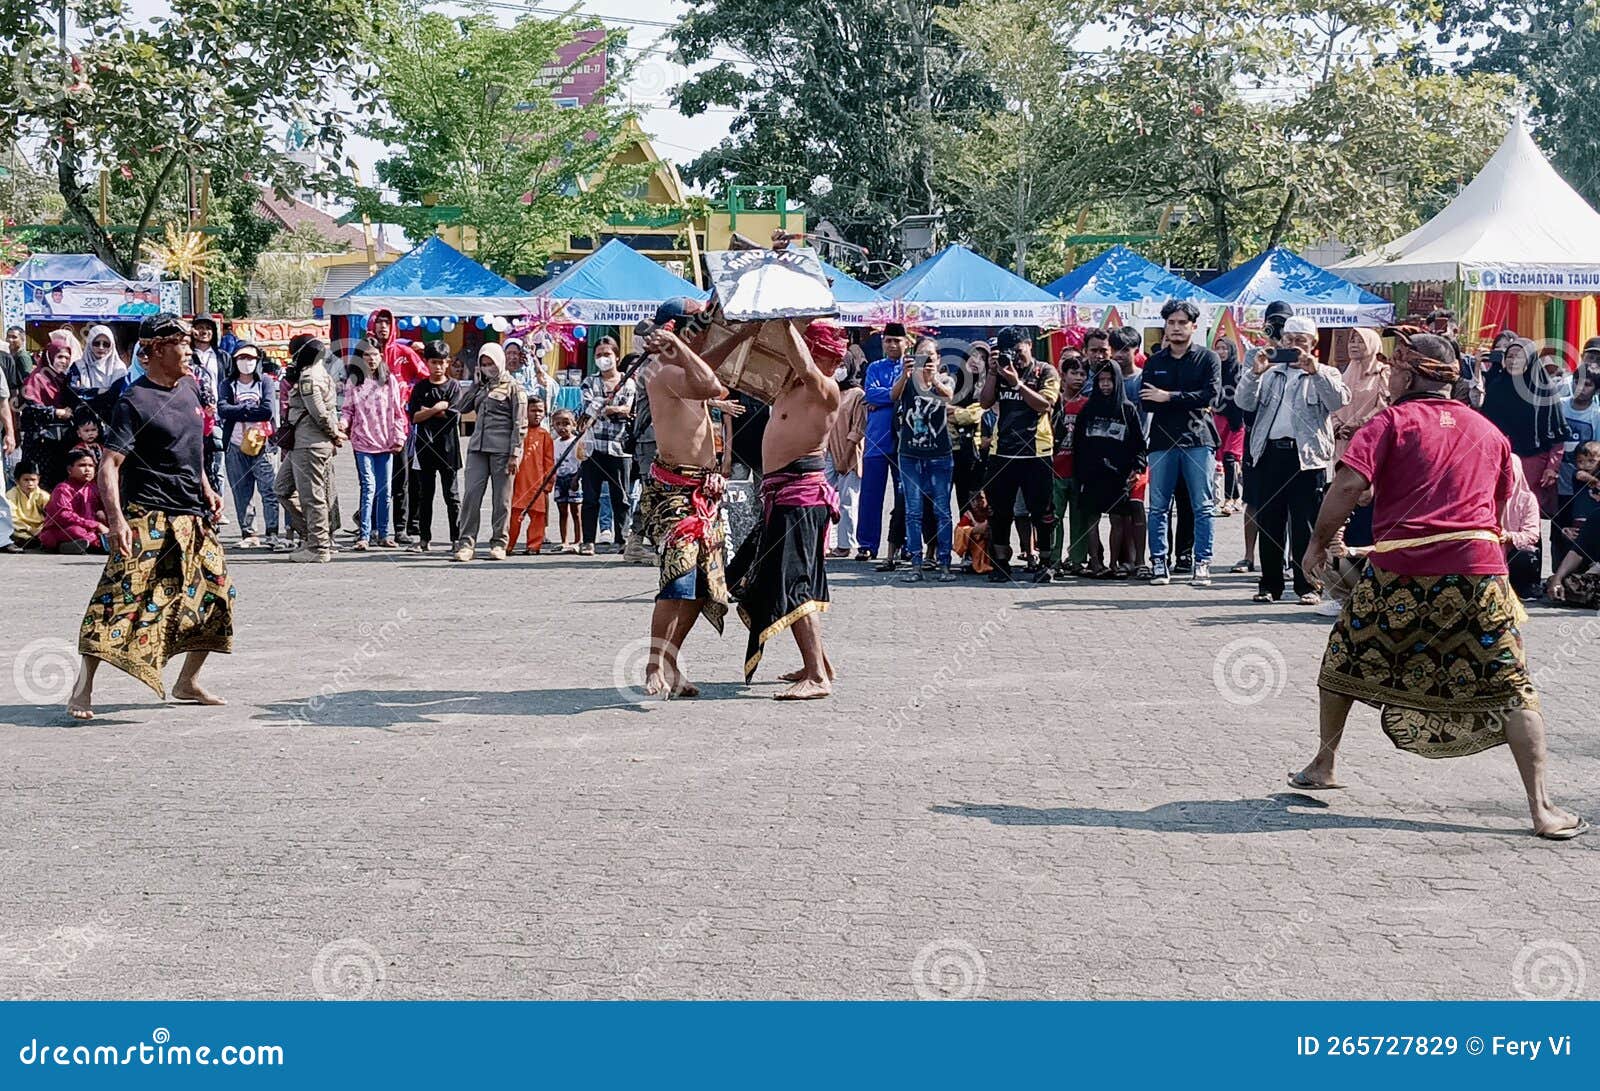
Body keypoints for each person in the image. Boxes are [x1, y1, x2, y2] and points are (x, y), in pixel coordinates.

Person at [1296, 332, 1585, 840]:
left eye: (1396, 370)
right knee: (1514, 686)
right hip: (1478, 572)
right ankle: (1542, 809)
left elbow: (1345, 486)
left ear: (1408, 375)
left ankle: (1325, 763)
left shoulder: (1389, 422)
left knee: (1343, 660)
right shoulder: (1489, 432)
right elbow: (1493, 511)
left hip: (1399, 574)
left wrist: (1319, 545)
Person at [70, 312, 234, 721]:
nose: (189, 351)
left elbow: (190, 448)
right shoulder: (134, 401)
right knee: (117, 600)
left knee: (216, 597)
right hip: (149, 516)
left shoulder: (191, 388)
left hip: (193, 515)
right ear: (157, 349)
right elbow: (109, 465)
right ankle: (82, 688)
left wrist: (207, 488)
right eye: (181, 344)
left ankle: (187, 682)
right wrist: (117, 520)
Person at [727, 319, 844, 699]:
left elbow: (805, 363)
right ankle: (820, 663)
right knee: (794, 583)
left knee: (795, 586)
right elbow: (746, 367)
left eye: (824, 355)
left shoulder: (825, 388)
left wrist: (785, 318)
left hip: (801, 498)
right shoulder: (786, 384)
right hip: (782, 497)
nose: (819, 360)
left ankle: (816, 677)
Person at [635, 321, 732, 697]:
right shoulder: (661, 371)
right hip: (673, 491)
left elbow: (711, 369)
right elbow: (712, 385)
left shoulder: (687, 365)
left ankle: (671, 660)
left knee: (700, 586)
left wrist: (740, 332)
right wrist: (675, 343)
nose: (699, 339)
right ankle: (653, 664)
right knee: (677, 581)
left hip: (704, 489)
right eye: (694, 331)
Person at [1234, 315, 1350, 605]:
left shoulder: (1326, 372)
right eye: (1288, 340)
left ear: (1312, 344)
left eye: (1301, 341)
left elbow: (1339, 402)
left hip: (1306, 459)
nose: (1294, 346)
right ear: (1280, 341)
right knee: (1269, 523)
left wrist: (1316, 373)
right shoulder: (1268, 371)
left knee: (1306, 526)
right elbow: (1243, 403)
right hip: (1270, 455)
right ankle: (1269, 585)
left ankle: (1309, 585)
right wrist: (1254, 373)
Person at [1141, 300, 1220, 588]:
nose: (1176, 327)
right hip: (1162, 442)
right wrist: (1185, 397)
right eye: (1171, 322)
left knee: (1203, 505)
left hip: (1198, 440)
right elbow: (1146, 401)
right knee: (1159, 506)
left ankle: (1202, 562)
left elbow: (1210, 396)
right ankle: (1159, 562)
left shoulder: (1208, 359)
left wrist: (1170, 397)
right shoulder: (1155, 361)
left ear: (1193, 327)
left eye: (1182, 323)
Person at [978, 326, 1060, 584]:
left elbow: (1045, 404)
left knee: (1043, 513)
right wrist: (993, 373)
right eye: (1008, 352)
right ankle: (1001, 562)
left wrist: (1017, 383)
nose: (1015, 357)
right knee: (999, 512)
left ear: (1030, 345)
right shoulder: (1000, 370)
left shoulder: (1046, 370)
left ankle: (1046, 562)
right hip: (1002, 452)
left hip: (1037, 452)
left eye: (1019, 351)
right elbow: (984, 402)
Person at [887, 337, 957, 582]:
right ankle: (915, 565)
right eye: (921, 355)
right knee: (913, 512)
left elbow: (949, 395)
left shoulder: (946, 379)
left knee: (942, 510)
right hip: (910, 455)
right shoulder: (907, 380)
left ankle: (945, 564)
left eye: (931, 356)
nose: (926, 360)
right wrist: (905, 375)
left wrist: (934, 376)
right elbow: (893, 397)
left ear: (939, 359)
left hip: (939, 455)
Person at [1071, 361, 1147, 579]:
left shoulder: (1127, 409)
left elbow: (1139, 444)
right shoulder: (1089, 408)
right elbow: (1079, 444)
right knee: (1092, 519)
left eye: (1109, 380)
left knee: (1117, 520)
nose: (1105, 385)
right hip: (1092, 474)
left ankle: (1114, 564)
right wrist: (1080, 473)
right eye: (1101, 380)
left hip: (1118, 475)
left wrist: (1137, 467)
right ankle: (1096, 563)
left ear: (1117, 381)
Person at [453, 343, 528, 562]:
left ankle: (498, 542)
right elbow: (462, 407)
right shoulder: (481, 386)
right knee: (471, 495)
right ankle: (466, 542)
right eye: (484, 364)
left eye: (491, 364)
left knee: (501, 499)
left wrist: (515, 453)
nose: (488, 368)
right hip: (478, 447)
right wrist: (476, 384)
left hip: (503, 449)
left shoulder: (514, 387)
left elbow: (520, 423)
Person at [1480, 338, 1567, 522]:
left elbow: (1557, 434)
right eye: (1509, 356)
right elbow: (1485, 424)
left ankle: (1529, 551)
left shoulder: (1544, 390)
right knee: (1497, 509)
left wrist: (1552, 467)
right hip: (1499, 458)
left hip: (1533, 462)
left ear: (1530, 359)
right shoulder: (1497, 386)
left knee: (1525, 511)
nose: (1513, 361)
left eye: (1519, 356)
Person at [366, 308, 428, 545]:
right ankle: (370, 528)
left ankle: (400, 528)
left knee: (400, 477)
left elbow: (425, 377)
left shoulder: (403, 352)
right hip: (371, 429)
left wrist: (410, 396)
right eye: (379, 322)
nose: (383, 327)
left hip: (400, 426)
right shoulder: (363, 355)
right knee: (371, 480)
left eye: (387, 322)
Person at [341, 340, 410, 551]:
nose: (371, 359)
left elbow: (399, 413)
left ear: (381, 356)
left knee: (385, 489)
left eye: (375, 354)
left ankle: (384, 533)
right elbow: (347, 411)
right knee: (368, 488)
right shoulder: (354, 382)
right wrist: (342, 425)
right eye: (367, 355)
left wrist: (399, 437)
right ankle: (364, 534)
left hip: (385, 443)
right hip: (362, 443)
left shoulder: (389, 381)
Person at [282, 338, 344, 563]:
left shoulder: (309, 377)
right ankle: (312, 535)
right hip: (303, 443)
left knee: (312, 496)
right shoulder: (321, 373)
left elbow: (318, 412)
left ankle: (318, 546)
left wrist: (334, 434)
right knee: (282, 488)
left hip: (310, 444)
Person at [218, 342, 280, 549]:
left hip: (263, 444)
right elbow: (223, 409)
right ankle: (249, 532)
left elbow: (267, 410)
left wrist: (240, 410)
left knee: (269, 489)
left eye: (251, 358)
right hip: (235, 444)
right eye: (242, 358)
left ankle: (272, 532)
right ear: (235, 361)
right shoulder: (228, 384)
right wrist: (247, 409)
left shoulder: (264, 382)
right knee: (241, 491)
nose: (247, 363)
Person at [858, 322, 909, 562]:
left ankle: (906, 542)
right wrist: (891, 395)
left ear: (906, 343)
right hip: (876, 438)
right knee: (870, 495)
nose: (891, 345)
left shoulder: (912, 368)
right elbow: (871, 394)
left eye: (896, 340)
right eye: (887, 340)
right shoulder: (874, 367)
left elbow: (908, 396)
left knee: (905, 495)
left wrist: (884, 397)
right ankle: (867, 544)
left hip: (905, 441)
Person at [578, 340, 635, 555]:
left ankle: (622, 539)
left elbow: (626, 409)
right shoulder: (589, 382)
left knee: (620, 496)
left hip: (619, 448)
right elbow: (588, 408)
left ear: (616, 357)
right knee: (590, 497)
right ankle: (588, 541)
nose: (603, 357)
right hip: (594, 448)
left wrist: (604, 407)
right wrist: (612, 409)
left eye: (607, 353)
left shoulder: (627, 382)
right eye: (599, 354)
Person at [407, 341, 464, 554]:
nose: (438, 366)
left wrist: (428, 411)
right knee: (425, 495)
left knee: (452, 495)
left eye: (442, 362)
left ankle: (456, 539)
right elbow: (414, 416)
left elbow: (453, 417)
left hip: (449, 448)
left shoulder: (454, 387)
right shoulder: (420, 387)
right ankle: (424, 539)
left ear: (447, 362)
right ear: (426, 362)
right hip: (425, 448)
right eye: (434, 362)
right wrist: (438, 408)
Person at [18, 333, 84, 489]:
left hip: (59, 442)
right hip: (39, 444)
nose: (64, 361)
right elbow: (30, 408)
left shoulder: (63, 379)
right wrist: (56, 412)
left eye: (67, 358)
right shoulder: (37, 378)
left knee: (59, 482)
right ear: (50, 356)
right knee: (40, 484)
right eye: (60, 356)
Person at [1046, 352, 1090, 577]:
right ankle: (1053, 559)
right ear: (1063, 376)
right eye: (1074, 373)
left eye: (1083, 374)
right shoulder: (1053, 402)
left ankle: (1077, 559)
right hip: (1055, 469)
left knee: (1079, 517)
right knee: (1054, 517)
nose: (1079, 378)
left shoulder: (1089, 405)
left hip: (1079, 470)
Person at [1552, 367, 1600, 569]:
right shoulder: (1559, 407)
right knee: (1558, 527)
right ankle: (1556, 571)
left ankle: (1579, 572)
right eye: (1577, 382)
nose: (1581, 388)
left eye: (1587, 385)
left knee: (1580, 527)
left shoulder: (1596, 415)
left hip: (1583, 486)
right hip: (1558, 479)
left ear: (1596, 390)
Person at [824, 351, 866, 558]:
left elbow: (858, 429)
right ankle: (823, 543)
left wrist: (845, 457)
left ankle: (844, 545)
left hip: (849, 454)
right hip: (828, 452)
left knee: (848, 501)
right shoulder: (830, 390)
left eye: (843, 364)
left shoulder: (857, 394)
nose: (839, 369)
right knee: (822, 497)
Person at [189, 317, 230, 497]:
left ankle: (217, 501)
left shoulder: (222, 356)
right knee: (196, 459)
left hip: (218, 416)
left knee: (218, 462)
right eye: (199, 327)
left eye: (208, 328)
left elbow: (230, 384)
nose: (204, 331)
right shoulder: (187, 355)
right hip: (193, 414)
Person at [509, 398, 555, 555]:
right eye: (533, 410)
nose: (537, 414)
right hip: (518, 484)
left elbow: (550, 462)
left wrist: (548, 483)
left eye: (540, 411)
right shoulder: (518, 432)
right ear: (525, 412)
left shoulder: (544, 435)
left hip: (537, 484)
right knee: (514, 517)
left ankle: (534, 546)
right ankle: (508, 545)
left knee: (538, 517)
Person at [38, 447, 105, 554]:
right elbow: (64, 516)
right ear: (70, 470)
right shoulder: (63, 488)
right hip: (62, 530)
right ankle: (96, 544)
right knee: (76, 531)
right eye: (82, 465)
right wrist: (95, 525)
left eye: (91, 466)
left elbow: (103, 509)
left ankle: (73, 546)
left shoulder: (94, 488)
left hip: (89, 529)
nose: (87, 469)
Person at [949, 342, 989, 517]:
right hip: (953, 449)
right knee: (952, 500)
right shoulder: (954, 381)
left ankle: (977, 542)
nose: (976, 361)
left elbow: (974, 415)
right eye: (973, 355)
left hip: (977, 452)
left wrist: (951, 412)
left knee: (975, 501)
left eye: (982, 358)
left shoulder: (988, 386)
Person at [67, 324, 129, 427]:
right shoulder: (78, 366)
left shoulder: (119, 368)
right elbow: (73, 394)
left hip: (111, 424)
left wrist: (89, 393)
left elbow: (117, 396)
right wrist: (98, 391)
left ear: (112, 345)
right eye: (96, 343)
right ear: (89, 343)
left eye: (106, 344)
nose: (101, 347)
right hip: (83, 424)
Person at [1212, 334, 1246, 516]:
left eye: (1225, 348)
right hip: (1219, 418)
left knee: (1230, 458)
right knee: (1221, 460)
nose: (1221, 352)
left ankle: (1229, 499)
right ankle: (1236, 498)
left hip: (1236, 420)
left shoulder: (1239, 371)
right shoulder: (1214, 370)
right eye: (1218, 348)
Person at [551, 409, 583, 551]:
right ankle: (564, 540)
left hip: (574, 478)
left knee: (576, 511)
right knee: (562, 510)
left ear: (574, 424)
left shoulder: (577, 442)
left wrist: (576, 479)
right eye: (558, 424)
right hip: (560, 479)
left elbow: (582, 462)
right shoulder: (554, 443)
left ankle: (578, 540)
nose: (562, 427)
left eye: (566, 423)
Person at [3, 460, 47, 551]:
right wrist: (29, 529)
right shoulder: (11, 495)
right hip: (20, 529)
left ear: (38, 480)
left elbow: (51, 515)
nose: (30, 483)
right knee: (12, 532)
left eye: (33, 480)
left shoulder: (43, 495)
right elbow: (12, 517)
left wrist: (41, 528)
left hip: (40, 530)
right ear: (17, 481)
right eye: (26, 480)